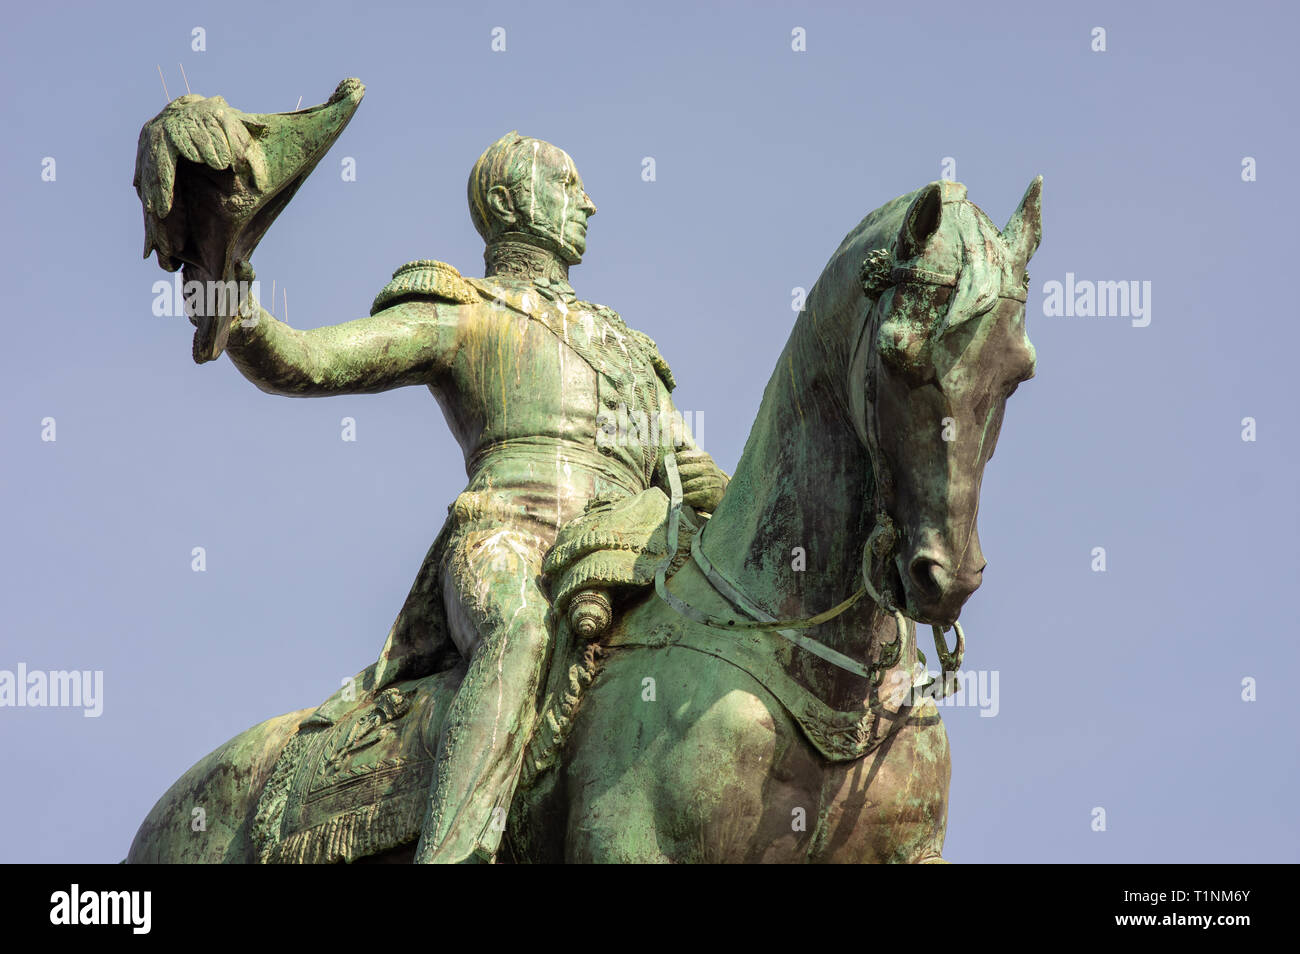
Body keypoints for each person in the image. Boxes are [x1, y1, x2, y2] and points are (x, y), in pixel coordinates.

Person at [220, 131, 729, 862]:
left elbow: (695, 473)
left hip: (631, 552)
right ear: (506, 202)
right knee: (519, 630)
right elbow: (307, 361)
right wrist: (230, 296)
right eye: (567, 184)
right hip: (509, 539)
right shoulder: (465, 308)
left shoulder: (627, 347)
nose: (588, 203)